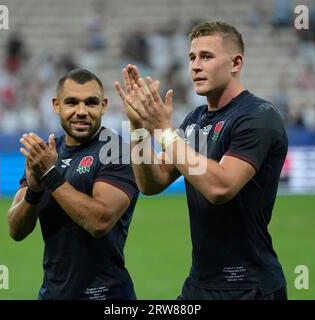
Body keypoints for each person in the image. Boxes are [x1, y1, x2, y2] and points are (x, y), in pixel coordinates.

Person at [115, 21, 288, 300]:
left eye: (206, 57)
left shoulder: (259, 116)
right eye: (192, 58)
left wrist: (162, 130)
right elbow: (153, 182)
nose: (195, 66)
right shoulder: (195, 120)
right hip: (200, 284)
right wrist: (137, 129)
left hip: (250, 286)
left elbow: (220, 187)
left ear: (236, 63)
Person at [7, 68, 139, 300]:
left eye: (90, 103)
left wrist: (49, 174)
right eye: (72, 103)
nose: (81, 111)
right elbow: (16, 230)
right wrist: (34, 192)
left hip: (105, 295)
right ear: (57, 105)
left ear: (104, 105)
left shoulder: (116, 152)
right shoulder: (47, 153)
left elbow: (99, 222)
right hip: (52, 294)